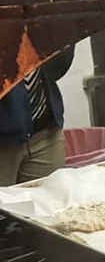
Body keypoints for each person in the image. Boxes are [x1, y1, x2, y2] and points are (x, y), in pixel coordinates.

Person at [0, 47, 75, 186]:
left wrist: (63, 35)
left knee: (51, 202)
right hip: (3, 141)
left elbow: (56, 70)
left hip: (46, 134)